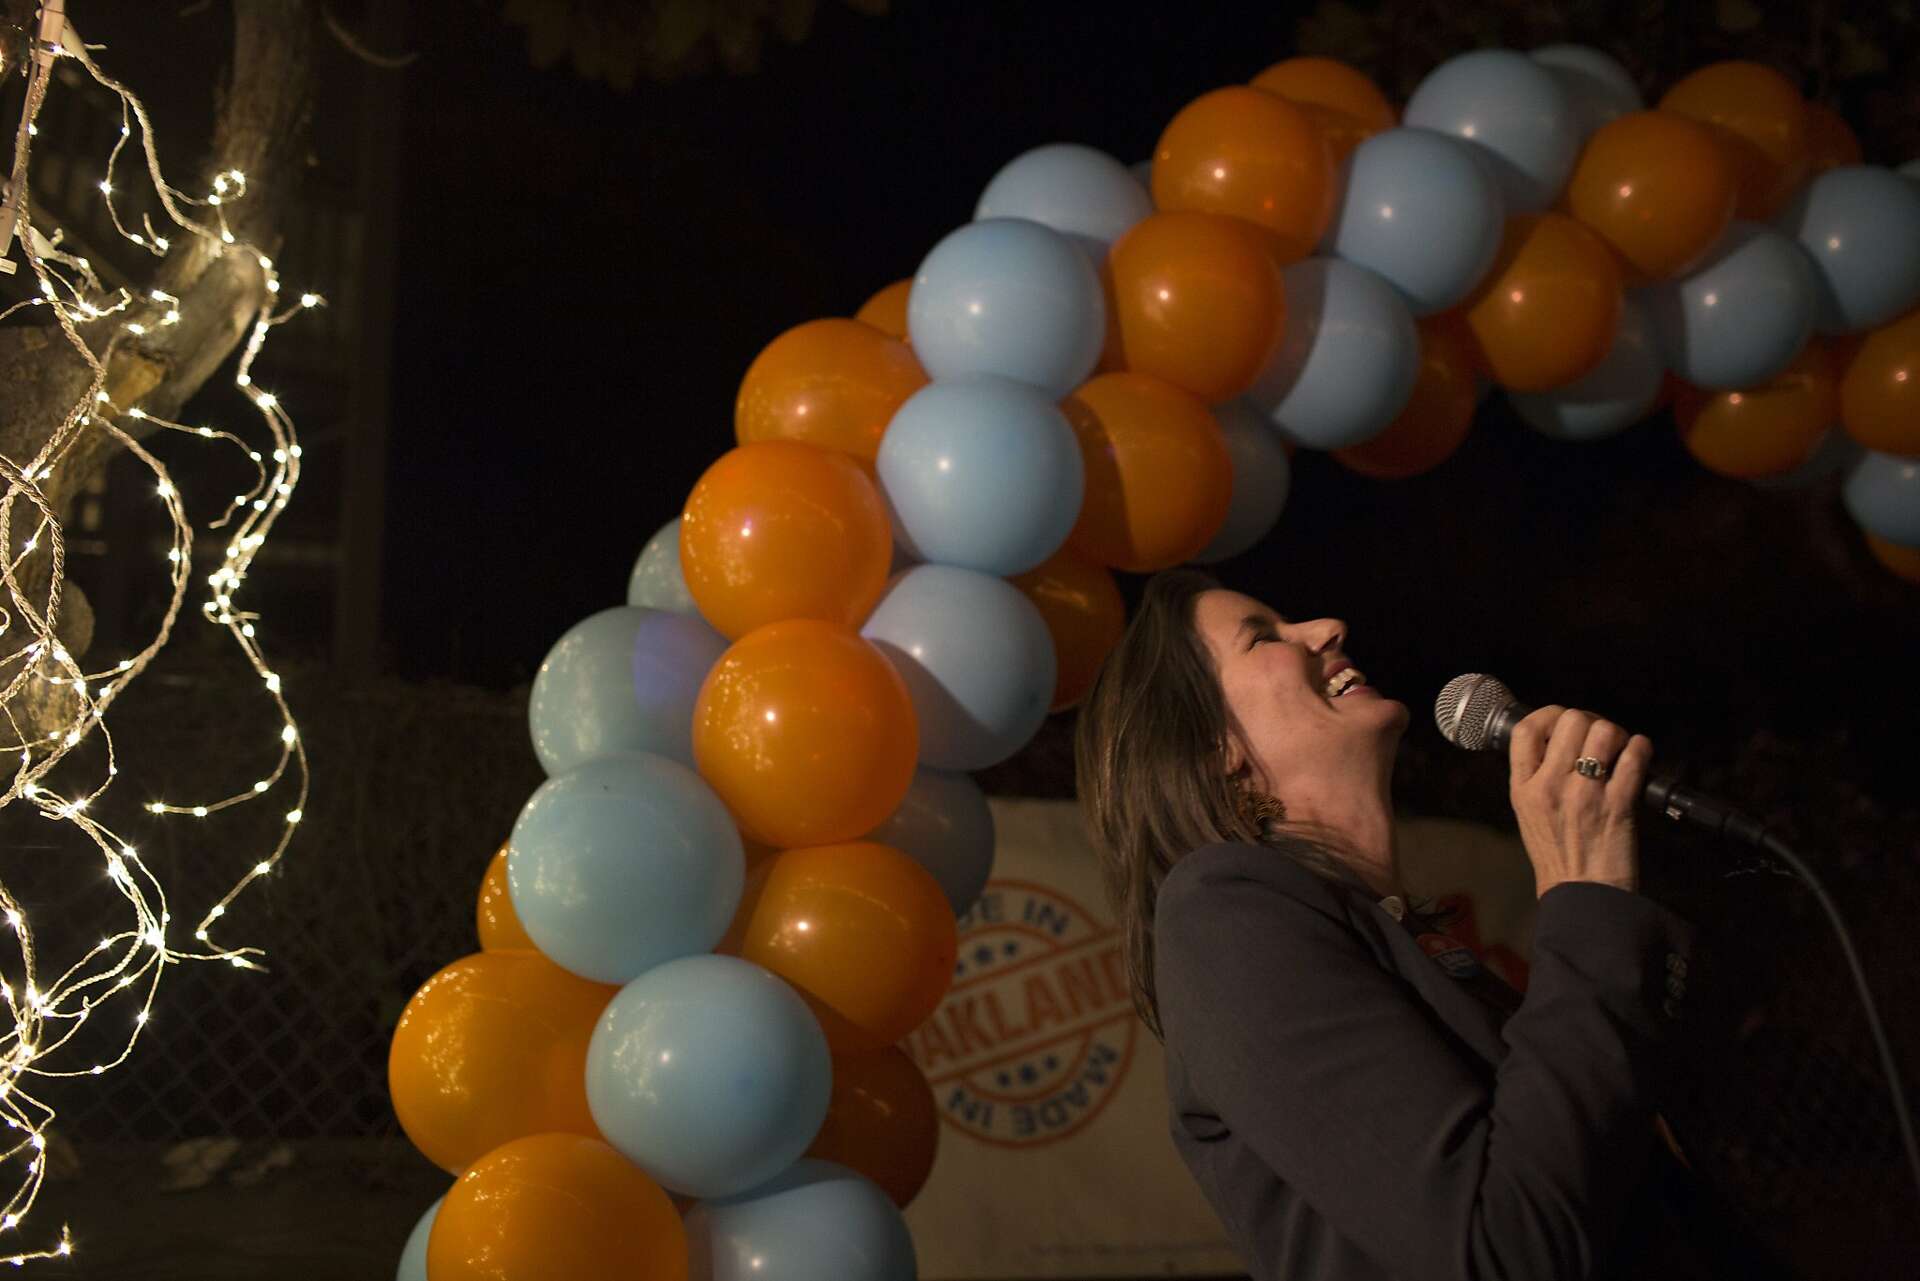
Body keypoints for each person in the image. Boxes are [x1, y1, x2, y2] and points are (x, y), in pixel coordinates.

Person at [1073, 568, 1792, 1281]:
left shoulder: (1404, 939)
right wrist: (1587, 889)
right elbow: (1498, 1246)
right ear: (1208, 748)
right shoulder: (1219, 911)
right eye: (1262, 637)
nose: (1327, 628)